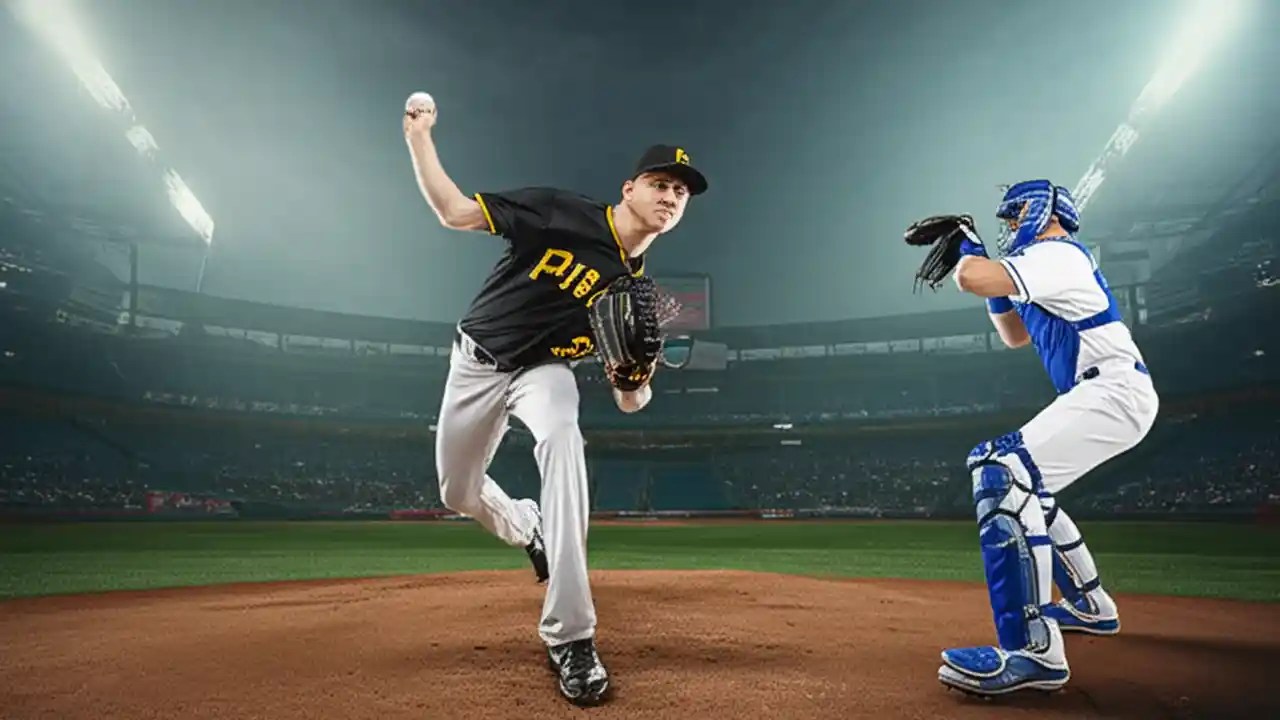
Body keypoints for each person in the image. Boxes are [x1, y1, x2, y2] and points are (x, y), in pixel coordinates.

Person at [402, 92, 708, 706]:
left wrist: (634, 375)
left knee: (565, 440)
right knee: (456, 491)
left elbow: (630, 404)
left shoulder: (637, 291)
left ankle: (572, 635)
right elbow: (454, 213)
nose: (671, 197)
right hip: (477, 360)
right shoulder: (560, 212)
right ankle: (526, 527)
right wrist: (419, 137)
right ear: (628, 189)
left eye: (681, 192)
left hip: (544, 373)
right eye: (659, 183)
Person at [936, 180, 1159, 696]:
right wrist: (978, 259)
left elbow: (974, 279)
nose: (1010, 227)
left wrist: (969, 253)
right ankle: (1090, 604)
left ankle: (1032, 651)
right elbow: (1014, 335)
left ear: (1039, 211)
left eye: (1013, 217)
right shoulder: (1046, 264)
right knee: (1030, 489)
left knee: (998, 465)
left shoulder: (1057, 253)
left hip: (1112, 388)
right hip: (1106, 390)